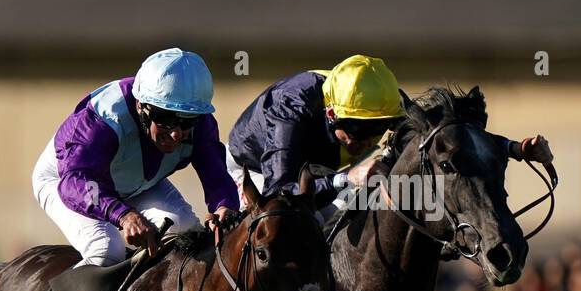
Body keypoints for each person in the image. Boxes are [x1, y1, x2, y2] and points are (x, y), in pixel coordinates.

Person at [226, 54, 554, 218]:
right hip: (255, 173)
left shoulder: (385, 103)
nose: (368, 140)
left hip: (319, 172)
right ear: (330, 113)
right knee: (295, 231)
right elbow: (281, 194)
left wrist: (516, 148)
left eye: (378, 127)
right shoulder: (291, 106)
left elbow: (445, 138)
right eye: (358, 128)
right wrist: (346, 179)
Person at [31, 47, 239, 270]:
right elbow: (77, 181)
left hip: (137, 183)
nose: (176, 133)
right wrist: (123, 215)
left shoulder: (202, 124)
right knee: (106, 250)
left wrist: (224, 206)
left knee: (185, 231)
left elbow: (216, 175)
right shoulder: (104, 118)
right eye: (165, 118)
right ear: (141, 106)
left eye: (188, 120)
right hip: (70, 180)